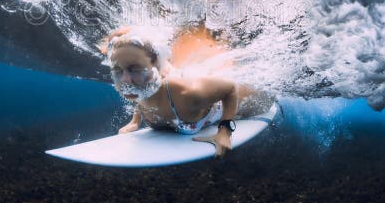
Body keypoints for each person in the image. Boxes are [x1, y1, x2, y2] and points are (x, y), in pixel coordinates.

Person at [99, 25, 273, 157]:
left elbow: (229, 89)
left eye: (135, 68)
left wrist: (224, 132)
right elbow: (140, 96)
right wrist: (135, 121)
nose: (125, 80)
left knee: (267, 100)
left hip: (245, 100)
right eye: (118, 70)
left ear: (155, 65)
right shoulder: (141, 85)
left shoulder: (185, 94)